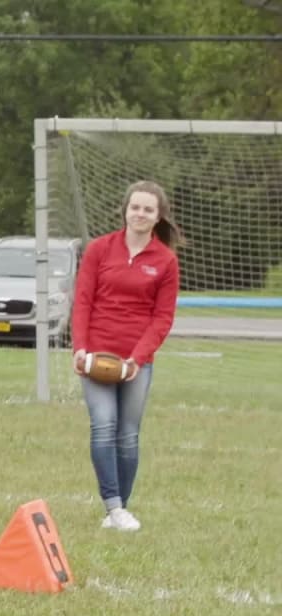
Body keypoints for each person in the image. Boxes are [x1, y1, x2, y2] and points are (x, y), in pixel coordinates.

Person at [72, 180, 182, 532]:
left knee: (128, 435)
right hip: (96, 356)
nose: (140, 214)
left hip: (136, 362)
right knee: (103, 424)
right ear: (125, 210)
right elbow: (83, 301)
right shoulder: (99, 249)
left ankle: (119, 511)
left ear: (158, 216)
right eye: (135, 207)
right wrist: (80, 348)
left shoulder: (166, 261)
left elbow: (162, 318)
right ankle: (114, 506)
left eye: (148, 209)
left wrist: (138, 357)